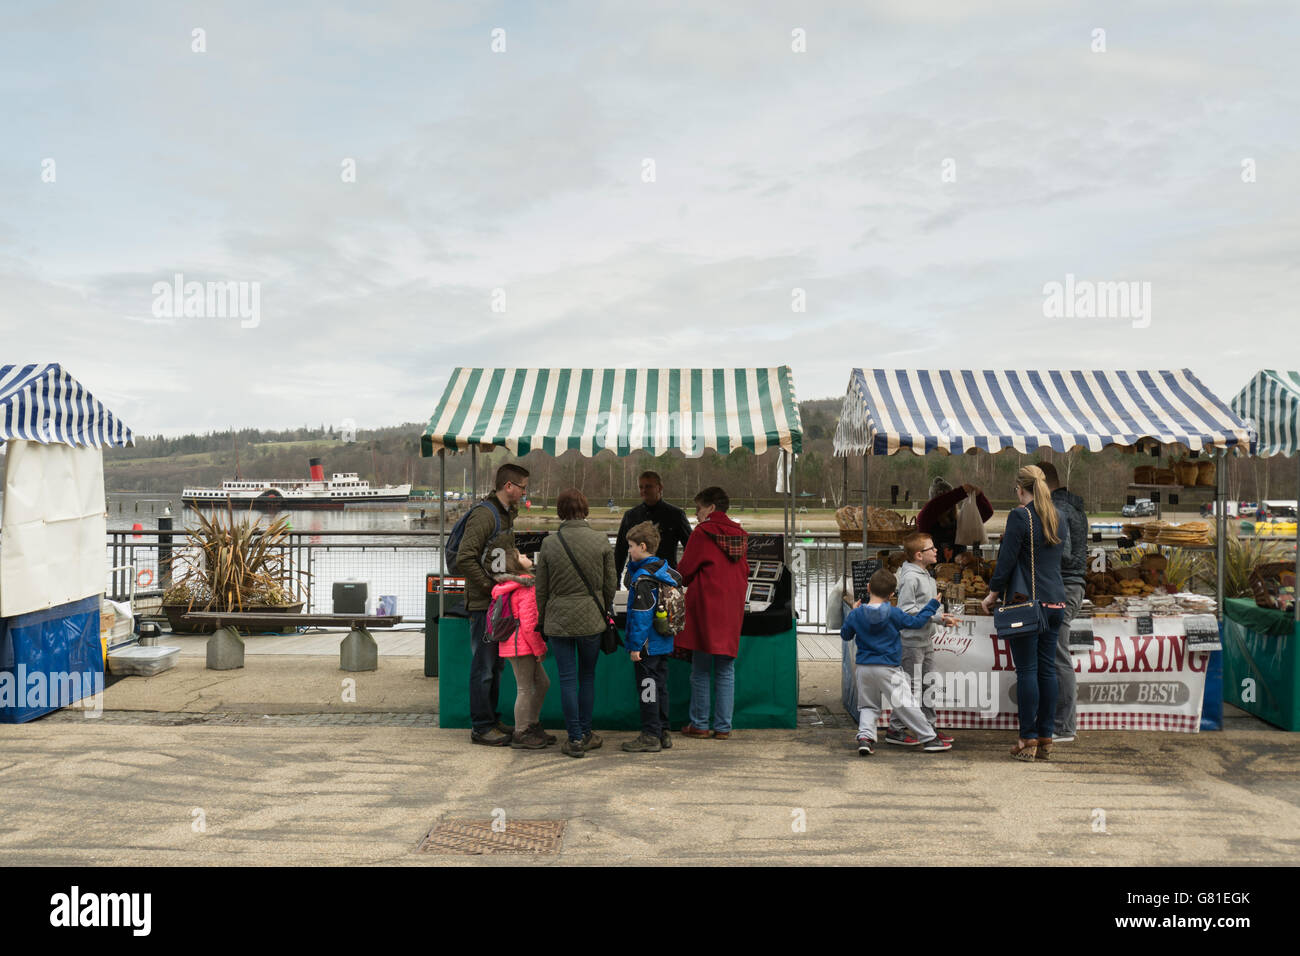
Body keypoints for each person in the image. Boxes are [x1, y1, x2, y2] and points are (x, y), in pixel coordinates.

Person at [981, 465, 1069, 762]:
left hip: (1029, 604)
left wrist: (992, 594)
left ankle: (1027, 738)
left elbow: (1005, 562)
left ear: (1020, 489)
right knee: (1048, 671)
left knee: (1028, 671)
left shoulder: (1021, 516)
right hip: (1056, 602)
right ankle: (1046, 738)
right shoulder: (1059, 517)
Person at [534, 487, 617, 758]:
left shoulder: (549, 544)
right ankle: (586, 732)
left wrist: (544, 618)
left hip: (559, 621)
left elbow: (541, 589)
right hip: (591, 621)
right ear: (585, 509)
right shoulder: (601, 540)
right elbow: (610, 584)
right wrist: (603, 608)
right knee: (587, 677)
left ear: (560, 511)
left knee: (567, 680)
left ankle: (574, 739)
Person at [841, 567, 959, 755]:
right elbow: (916, 623)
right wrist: (931, 606)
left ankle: (865, 738)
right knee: (906, 703)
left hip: (864, 667)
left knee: (868, 706)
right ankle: (929, 738)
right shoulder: (893, 613)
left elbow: (846, 635)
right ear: (892, 593)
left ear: (868, 587)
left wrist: (852, 614)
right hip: (888, 667)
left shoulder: (857, 614)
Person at [458, 462, 527, 747]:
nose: (525, 493)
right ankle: (481, 726)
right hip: (485, 603)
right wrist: (491, 588)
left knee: (495, 665)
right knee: (484, 666)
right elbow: (465, 557)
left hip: (496, 603)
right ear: (509, 486)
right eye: (522, 487)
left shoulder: (504, 515)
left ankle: (492, 719)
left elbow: (498, 555)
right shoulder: (485, 515)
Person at [676, 486, 749, 740]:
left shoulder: (703, 533)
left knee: (701, 668)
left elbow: (684, 571)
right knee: (726, 669)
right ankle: (723, 727)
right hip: (731, 606)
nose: (696, 514)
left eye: (698, 508)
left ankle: (699, 724)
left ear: (711, 508)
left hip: (705, 605)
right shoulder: (741, 534)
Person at [620, 520, 684, 753]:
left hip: (646, 644)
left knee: (647, 688)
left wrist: (635, 646)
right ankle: (663, 730)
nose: (629, 550)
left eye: (631, 546)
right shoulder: (665, 571)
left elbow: (641, 616)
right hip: (664, 641)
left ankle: (649, 734)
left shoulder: (645, 580)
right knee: (661, 686)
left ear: (643, 546)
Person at [1036, 461, 1087, 746]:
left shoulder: (1058, 510)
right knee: (1056, 655)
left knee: (1058, 657)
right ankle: (1058, 721)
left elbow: (1063, 554)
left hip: (1063, 585)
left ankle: (1064, 726)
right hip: (1072, 584)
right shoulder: (1075, 506)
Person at [887, 532, 955, 746]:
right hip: (911, 642)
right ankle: (895, 729)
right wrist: (936, 616)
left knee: (928, 684)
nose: (936, 551)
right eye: (931, 548)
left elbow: (925, 609)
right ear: (918, 555)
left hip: (925, 639)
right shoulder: (910, 578)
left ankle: (928, 726)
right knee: (909, 686)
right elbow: (906, 610)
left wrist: (940, 619)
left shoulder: (926, 575)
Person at [491, 549, 554, 750]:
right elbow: (529, 623)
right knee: (525, 688)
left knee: (542, 683)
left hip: (514, 642)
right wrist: (539, 649)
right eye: (522, 556)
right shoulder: (526, 586)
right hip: (521, 644)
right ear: (516, 565)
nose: (527, 557)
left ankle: (532, 724)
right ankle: (521, 731)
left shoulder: (509, 585)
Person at [613, 471, 695, 580]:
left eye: (648, 486)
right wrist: (616, 582)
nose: (644, 491)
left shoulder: (676, 515)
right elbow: (620, 552)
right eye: (641, 487)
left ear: (660, 488)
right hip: (636, 578)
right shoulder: (630, 516)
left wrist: (684, 575)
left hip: (666, 578)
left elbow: (691, 547)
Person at [917, 477, 993, 562]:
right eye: (943, 500)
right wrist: (961, 491)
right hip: (932, 572)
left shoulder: (959, 521)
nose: (946, 505)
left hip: (959, 571)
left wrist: (979, 496)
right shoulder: (926, 518)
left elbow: (987, 512)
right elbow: (935, 506)